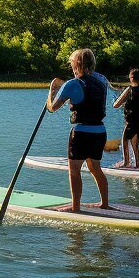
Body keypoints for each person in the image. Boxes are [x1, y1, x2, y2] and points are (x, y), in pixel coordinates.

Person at [45, 48, 111, 213]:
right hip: (100, 131)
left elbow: (52, 108)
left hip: (81, 133)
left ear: (77, 64)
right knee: (95, 168)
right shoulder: (102, 80)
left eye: (73, 64)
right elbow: (89, 85)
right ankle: (104, 203)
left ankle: (75, 207)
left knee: (74, 171)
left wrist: (52, 90)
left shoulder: (72, 84)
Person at [111, 68, 139, 169]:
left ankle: (126, 163)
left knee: (125, 142)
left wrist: (120, 101)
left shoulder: (129, 90)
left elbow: (115, 105)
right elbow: (137, 105)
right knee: (135, 145)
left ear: (131, 78)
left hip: (130, 123)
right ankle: (137, 165)